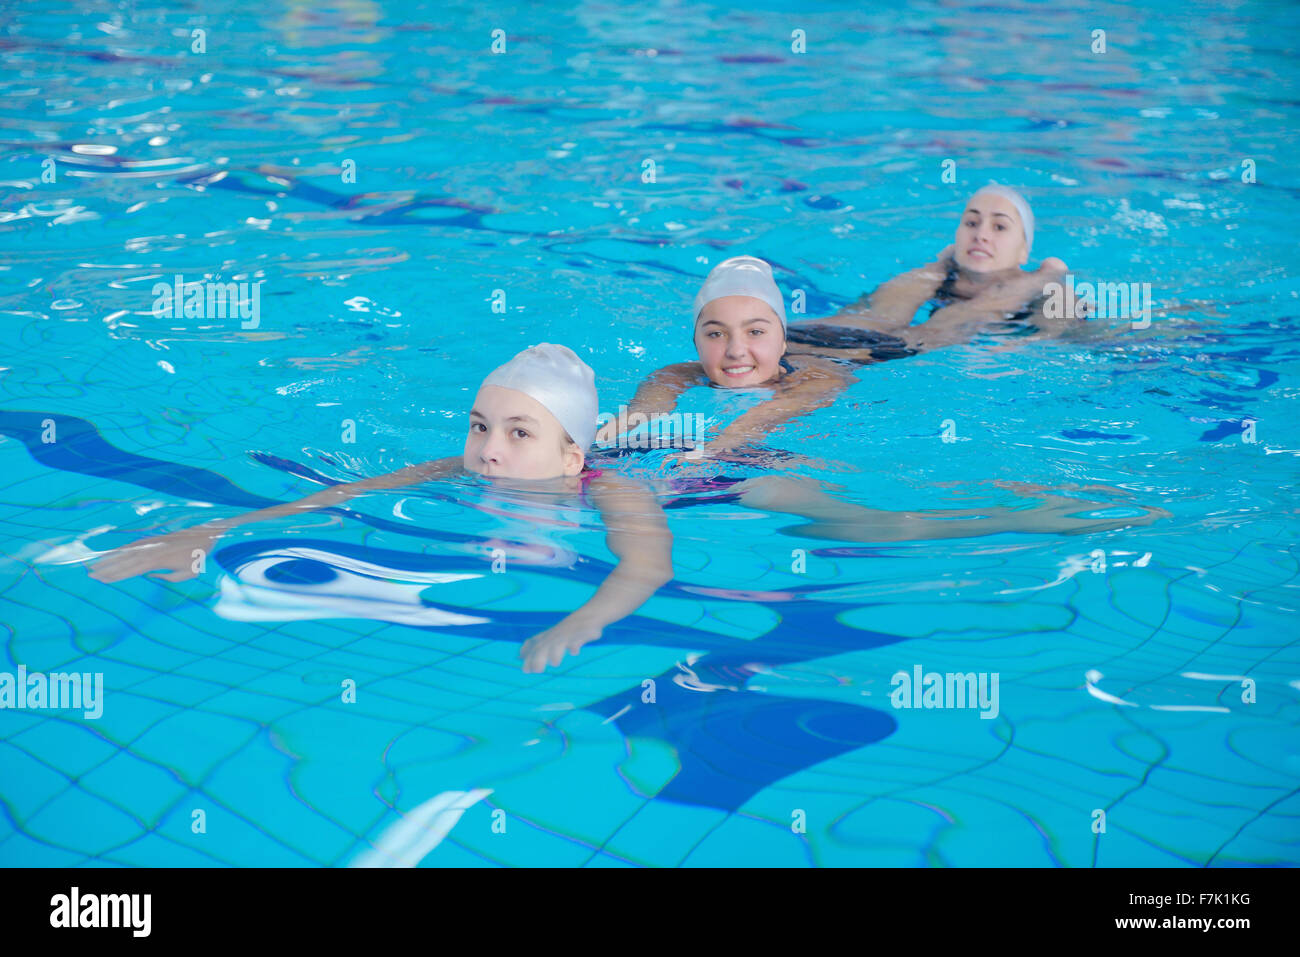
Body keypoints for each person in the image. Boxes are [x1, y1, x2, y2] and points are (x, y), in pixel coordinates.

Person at [88, 344, 674, 674]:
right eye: (479, 427)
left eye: (519, 434)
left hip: (696, 478)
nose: (488, 452)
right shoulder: (456, 468)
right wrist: (214, 530)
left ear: (571, 457)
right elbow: (341, 495)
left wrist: (583, 620)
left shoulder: (615, 492)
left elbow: (647, 567)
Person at [787, 184, 1075, 361]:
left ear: (1024, 250)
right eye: (971, 223)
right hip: (904, 342)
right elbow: (869, 321)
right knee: (880, 321)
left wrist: (1019, 344)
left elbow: (1057, 338)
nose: (981, 235)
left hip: (935, 344)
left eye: (999, 227)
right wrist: (940, 267)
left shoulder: (1046, 288)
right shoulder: (934, 277)